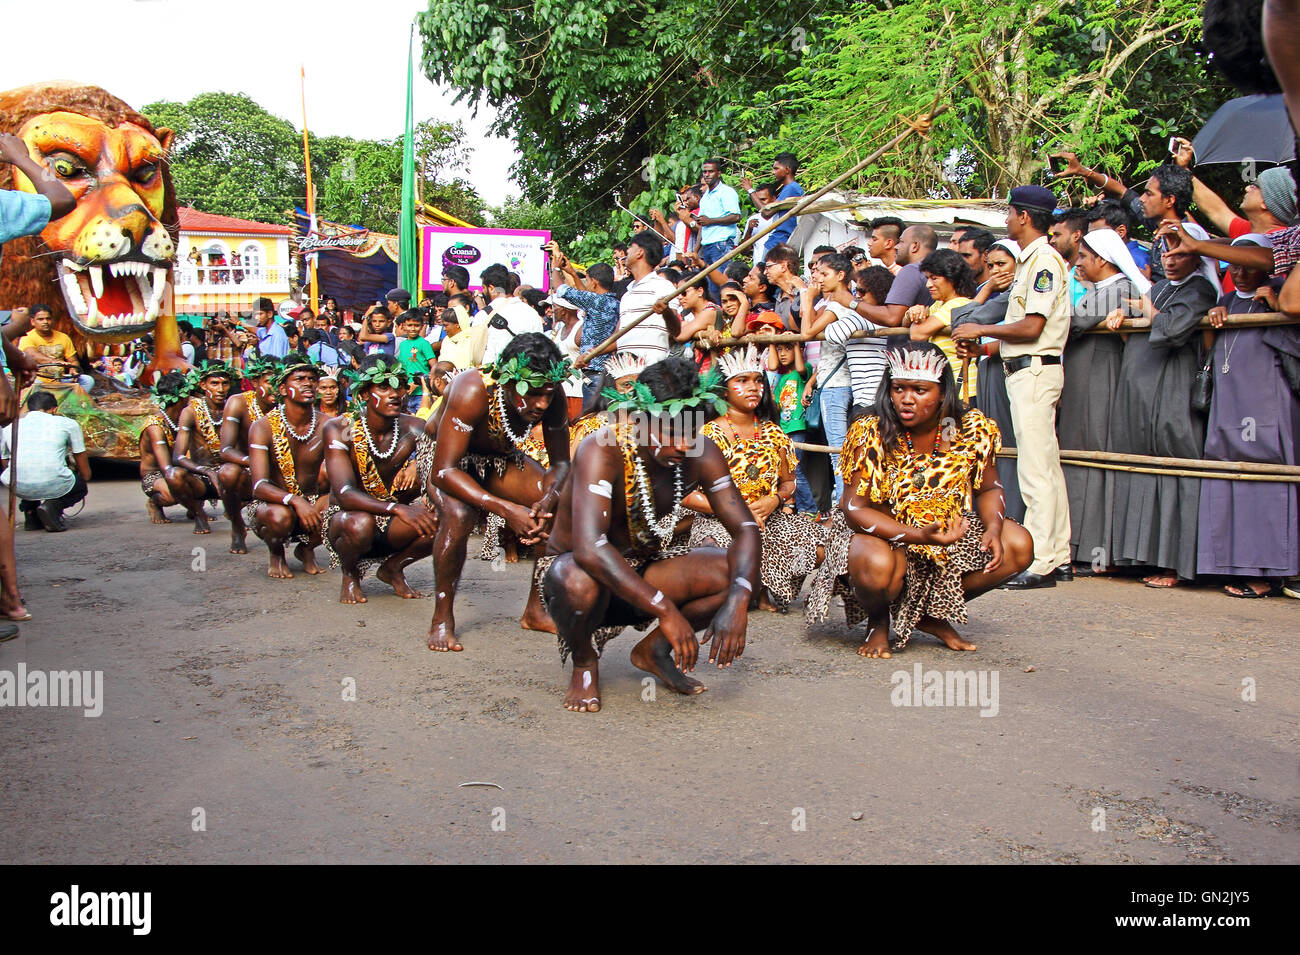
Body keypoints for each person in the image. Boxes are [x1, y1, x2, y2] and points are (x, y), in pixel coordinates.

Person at [539, 356, 761, 712]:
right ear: (640, 422)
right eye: (670, 432)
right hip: (581, 575)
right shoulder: (603, 448)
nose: (683, 445)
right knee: (575, 578)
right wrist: (666, 611)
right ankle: (584, 662)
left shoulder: (702, 452)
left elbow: (746, 528)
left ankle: (653, 651)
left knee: (731, 571)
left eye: (690, 430)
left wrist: (740, 597)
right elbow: (589, 548)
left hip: (643, 566)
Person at [805, 341, 1032, 657]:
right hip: (878, 533)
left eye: (919, 390)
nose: (906, 399)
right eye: (899, 389)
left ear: (942, 392)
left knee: (1017, 544)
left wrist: (992, 528)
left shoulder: (965, 428)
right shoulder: (872, 429)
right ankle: (878, 622)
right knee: (879, 562)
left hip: (938, 529)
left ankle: (927, 613)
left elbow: (990, 488)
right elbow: (855, 508)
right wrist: (916, 535)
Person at [952, 184, 1071, 589]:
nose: (1006, 221)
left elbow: (1033, 326)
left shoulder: (1043, 262)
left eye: (1009, 214)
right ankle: (1059, 553)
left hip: (1035, 370)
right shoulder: (1033, 261)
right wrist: (986, 342)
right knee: (1045, 467)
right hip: (1025, 365)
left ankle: (1040, 560)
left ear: (1023, 216)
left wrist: (980, 325)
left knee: (1036, 470)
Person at [425, 333, 573, 651]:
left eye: (548, 394)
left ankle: (536, 609)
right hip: (447, 460)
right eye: (532, 394)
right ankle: (442, 617)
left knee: (558, 505)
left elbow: (561, 464)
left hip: (499, 457)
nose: (542, 404)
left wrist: (546, 500)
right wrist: (505, 509)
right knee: (459, 515)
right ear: (507, 382)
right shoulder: (471, 388)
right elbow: (443, 471)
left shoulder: (551, 391)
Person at [1105, 243, 1219, 588]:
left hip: (1173, 388)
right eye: (1165, 255)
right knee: (1144, 465)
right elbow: (1153, 315)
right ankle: (1142, 559)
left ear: (1197, 257)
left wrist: (1145, 311)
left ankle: (1175, 565)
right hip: (1145, 389)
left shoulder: (1199, 288)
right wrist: (1126, 315)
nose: (1169, 261)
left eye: (1179, 254)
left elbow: (1170, 328)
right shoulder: (1161, 288)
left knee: (1177, 463)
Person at [1196, 234, 1300, 596]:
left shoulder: (1284, 296)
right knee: (1228, 479)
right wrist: (1213, 319)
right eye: (1233, 265)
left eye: (1248, 264)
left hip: (1267, 405)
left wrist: (1276, 307)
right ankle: (1230, 563)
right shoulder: (1225, 301)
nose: (1239, 272)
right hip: (1230, 405)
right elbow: (1210, 355)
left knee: (1267, 482)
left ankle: (1269, 571)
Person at [684, 347, 824, 611]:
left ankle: (759, 587)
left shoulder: (773, 432)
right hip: (720, 522)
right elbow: (688, 495)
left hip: (768, 517)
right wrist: (737, 510)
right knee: (714, 553)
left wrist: (775, 499)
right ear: (723, 390)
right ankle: (746, 589)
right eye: (742, 381)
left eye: (758, 380)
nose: (753, 387)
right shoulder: (706, 434)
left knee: (821, 547)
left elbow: (789, 482)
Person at [1057, 229, 1149, 574]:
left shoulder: (1120, 288)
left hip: (1100, 381)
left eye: (1083, 257)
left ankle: (1097, 551)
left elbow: (1073, 323)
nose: (1078, 263)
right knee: (1079, 456)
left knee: (1095, 455)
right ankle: (1080, 545)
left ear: (1102, 260)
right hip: (1084, 380)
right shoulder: (1102, 291)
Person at [322, 355, 438, 604]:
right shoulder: (340, 428)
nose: (394, 394)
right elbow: (344, 493)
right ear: (364, 393)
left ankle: (393, 567)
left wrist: (420, 466)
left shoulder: (416, 427)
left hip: (392, 519)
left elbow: (440, 469)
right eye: (383, 387)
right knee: (360, 523)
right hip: (348, 517)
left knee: (444, 518)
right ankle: (350, 574)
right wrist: (398, 509)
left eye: (399, 386)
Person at [950, 240, 1025, 523]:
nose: (995, 271)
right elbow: (961, 325)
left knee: (1012, 445)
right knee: (992, 445)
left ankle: (1014, 516)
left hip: (1015, 371)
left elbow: (968, 323)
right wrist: (990, 288)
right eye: (990, 265)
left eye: (1002, 265)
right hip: (989, 370)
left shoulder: (1022, 292)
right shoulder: (993, 294)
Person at [247, 357, 330, 580]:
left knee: (340, 501)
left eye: (312, 379)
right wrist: (295, 500)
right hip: (273, 503)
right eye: (300, 379)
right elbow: (258, 486)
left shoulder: (330, 424)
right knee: (280, 515)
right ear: (282, 389)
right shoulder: (262, 427)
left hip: (314, 499)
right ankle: (276, 553)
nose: (308, 384)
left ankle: (306, 549)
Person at [800, 252, 859, 503]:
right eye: (817, 273)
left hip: (836, 385)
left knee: (838, 448)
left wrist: (807, 299)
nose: (818, 278)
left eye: (824, 274)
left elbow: (806, 333)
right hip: (834, 381)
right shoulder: (839, 304)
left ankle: (843, 506)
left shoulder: (837, 305)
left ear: (841, 275)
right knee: (840, 446)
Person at [1, 390, 90, 533]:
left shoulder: (9, 427)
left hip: (16, 483)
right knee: (79, 488)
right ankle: (52, 506)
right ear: (54, 409)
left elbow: (5, 460)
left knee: (29, 473)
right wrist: (84, 477)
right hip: (51, 478)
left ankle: (31, 513)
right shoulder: (68, 423)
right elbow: (79, 454)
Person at [217, 355, 280, 555]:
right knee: (227, 473)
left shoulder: (289, 403)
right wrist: (253, 462)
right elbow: (225, 450)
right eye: (270, 382)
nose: (276, 388)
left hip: (282, 471)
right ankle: (237, 525)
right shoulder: (238, 403)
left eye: (280, 382)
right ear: (255, 382)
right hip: (248, 469)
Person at [167, 361, 236, 536]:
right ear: (203, 384)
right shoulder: (190, 412)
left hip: (232, 474)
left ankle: (237, 519)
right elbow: (178, 457)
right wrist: (208, 472)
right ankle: (198, 513)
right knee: (174, 475)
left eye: (224, 383)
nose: (220, 389)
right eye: (214, 383)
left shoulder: (235, 408)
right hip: (202, 477)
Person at [548, 245, 619, 399]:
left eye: (586, 280)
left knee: (593, 419)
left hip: (594, 372)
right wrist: (572, 273)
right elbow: (586, 297)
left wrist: (556, 268)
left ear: (594, 282)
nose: (586, 284)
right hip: (608, 373)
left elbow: (560, 289)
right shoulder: (613, 302)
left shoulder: (596, 301)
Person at [907, 249, 977, 394]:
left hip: (963, 391)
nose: (928, 285)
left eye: (934, 278)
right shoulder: (939, 305)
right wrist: (912, 313)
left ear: (952, 278)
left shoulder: (959, 304)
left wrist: (915, 318)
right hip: (948, 388)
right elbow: (905, 324)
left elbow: (917, 334)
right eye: (927, 278)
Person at [767, 337, 816, 516]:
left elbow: (802, 368)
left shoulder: (804, 371)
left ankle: (810, 509)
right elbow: (777, 404)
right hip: (784, 429)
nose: (782, 354)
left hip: (796, 427)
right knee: (789, 471)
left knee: (796, 471)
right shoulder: (782, 378)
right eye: (780, 350)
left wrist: (796, 343)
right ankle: (803, 508)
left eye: (787, 349)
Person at [613, 231, 679, 362]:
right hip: (626, 370)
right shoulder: (627, 295)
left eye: (631, 247)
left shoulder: (663, 286)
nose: (627, 252)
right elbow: (618, 336)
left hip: (651, 370)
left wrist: (666, 311)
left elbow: (676, 330)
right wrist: (592, 353)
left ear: (640, 252)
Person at [139, 371, 195, 524]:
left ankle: (193, 508)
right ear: (182, 397)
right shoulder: (155, 426)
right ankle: (154, 502)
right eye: (189, 394)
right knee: (172, 493)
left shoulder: (181, 417)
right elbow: (166, 468)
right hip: (155, 475)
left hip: (177, 468)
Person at [478, 263, 545, 367]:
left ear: (491, 288)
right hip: (528, 377)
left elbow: (476, 356)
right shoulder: (532, 313)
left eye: (483, 287)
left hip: (494, 378)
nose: (482, 291)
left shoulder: (484, 315)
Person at [695, 159, 742, 299]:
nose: (707, 174)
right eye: (705, 172)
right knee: (711, 289)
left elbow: (736, 216)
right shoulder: (705, 197)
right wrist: (695, 251)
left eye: (711, 171)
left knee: (724, 286)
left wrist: (711, 221)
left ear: (719, 173)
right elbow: (702, 226)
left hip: (720, 244)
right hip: (707, 246)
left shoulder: (726, 192)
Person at [19, 304, 85, 385]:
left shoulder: (64, 337)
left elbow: (73, 360)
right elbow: (33, 355)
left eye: (48, 319)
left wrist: (73, 369)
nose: (45, 322)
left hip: (60, 378)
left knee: (87, 380)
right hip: (38, 379)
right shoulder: (26, 337)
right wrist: (54, 361)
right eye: (41, 319)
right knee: (34, 383)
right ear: (32, 322)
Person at [395, 310, 438, 413]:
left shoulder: (424, 343)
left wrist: (420, 383)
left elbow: (435, 367)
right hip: (407, 393)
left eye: (416, 325)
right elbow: (401, 368)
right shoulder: (402, 345)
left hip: (421, 392)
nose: (413, 328)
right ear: (403, 326)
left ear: (422, 326)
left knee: (422, 420)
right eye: (409, 325)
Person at [1049, 208, 1091, 307]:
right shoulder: (1066, 272)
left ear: (1076, 235)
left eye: (1057, 235)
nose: (1052, 241)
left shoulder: (1084, 276)